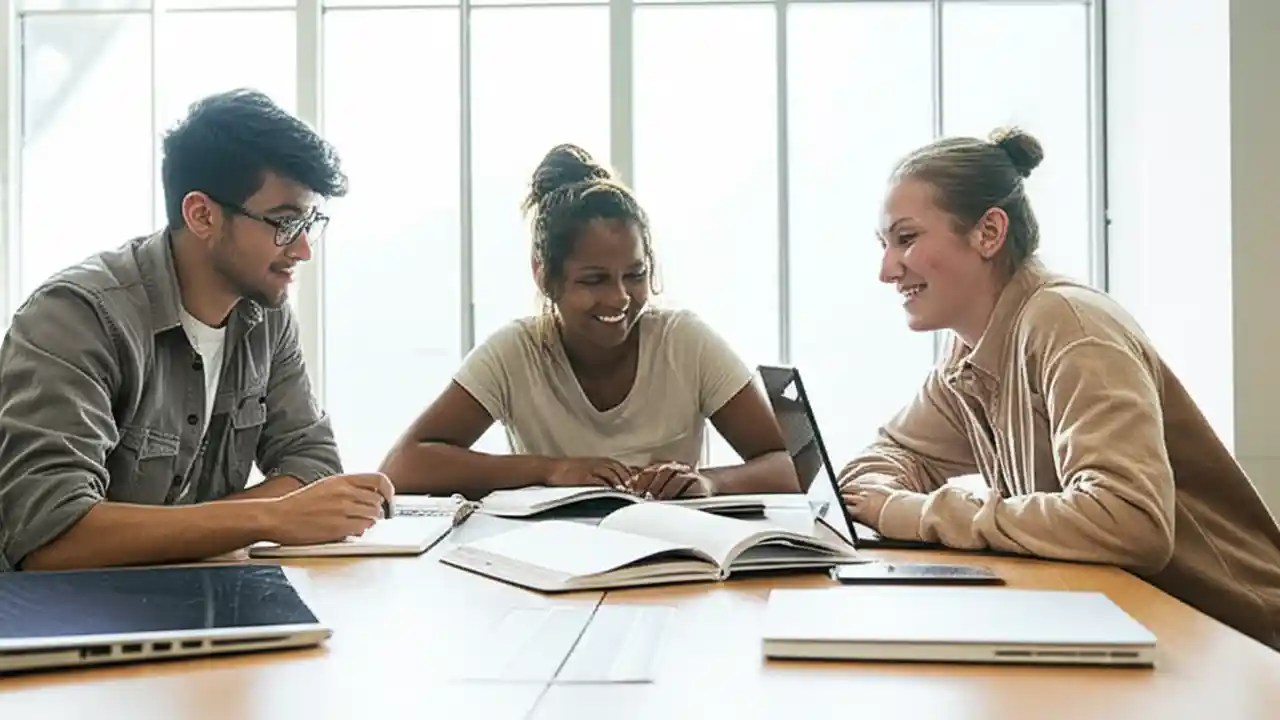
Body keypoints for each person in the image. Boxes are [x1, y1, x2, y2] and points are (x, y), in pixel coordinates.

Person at [838, 127, 1280, 650]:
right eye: (884, 244)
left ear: (988, 233)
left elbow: (1129, 522)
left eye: (906, 239)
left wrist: (917, 513)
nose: (887, 269)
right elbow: (876, 468)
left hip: (1237, 644)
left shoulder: (1069, 326)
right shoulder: (970, 355)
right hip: (1132, 630)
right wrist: (889, 501)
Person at [0, 89, 394, 572]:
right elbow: (48, 536)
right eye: (285, 223)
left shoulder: (265, 314)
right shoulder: (75, 317)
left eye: (311, 222)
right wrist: (264, 518)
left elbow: (310, 464)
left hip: (198, 596)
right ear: (202, 215)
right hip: (67, 622)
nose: (304, 249)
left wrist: (231, 526)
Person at [381, 144, 798, 500]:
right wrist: (551, 470)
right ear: (544, 276)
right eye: (594, 280)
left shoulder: (683, 341)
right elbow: (403, 466)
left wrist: (709, 482)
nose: (619, 298)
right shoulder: (515, 351)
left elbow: (793, 467)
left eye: (635, 275)